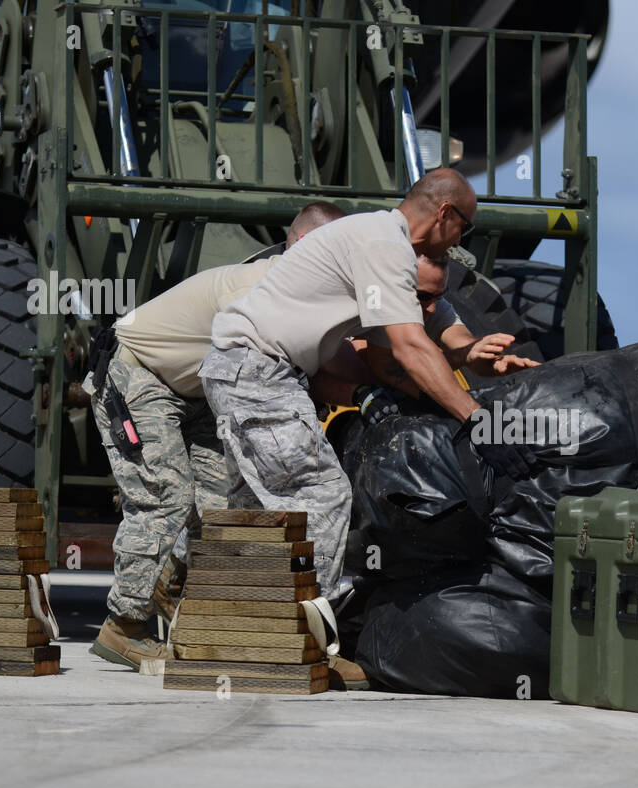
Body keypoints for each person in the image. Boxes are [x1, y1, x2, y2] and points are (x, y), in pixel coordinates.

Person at [199, 169, 535, 608]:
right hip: (258, 371)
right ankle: (315, 635)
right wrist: (477, 420)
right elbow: (412, 347)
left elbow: (389, 366)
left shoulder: (376, 240)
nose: (460, 241)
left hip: (243, 369)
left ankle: (226, 628)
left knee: (250, 509)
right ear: (444, 212)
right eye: (464, 227)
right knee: (324, 495)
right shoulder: (384, 245)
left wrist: (470, 359)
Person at [88, 202, 347, 671]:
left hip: (197, 392)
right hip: (137, 376)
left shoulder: (298, 291)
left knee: (223, 506)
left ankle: (168, 586)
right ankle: (123, 625)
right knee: (165, 496)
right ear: (307, 246)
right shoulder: (260, 288)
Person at [310, 254, 540, 412]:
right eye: (421, 296)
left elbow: (462, 343)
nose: (431, 308)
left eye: (439, 296)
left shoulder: (434, 307)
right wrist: (460, 357)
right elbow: (380, 370)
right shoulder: (354, 303)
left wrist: (485, 359)